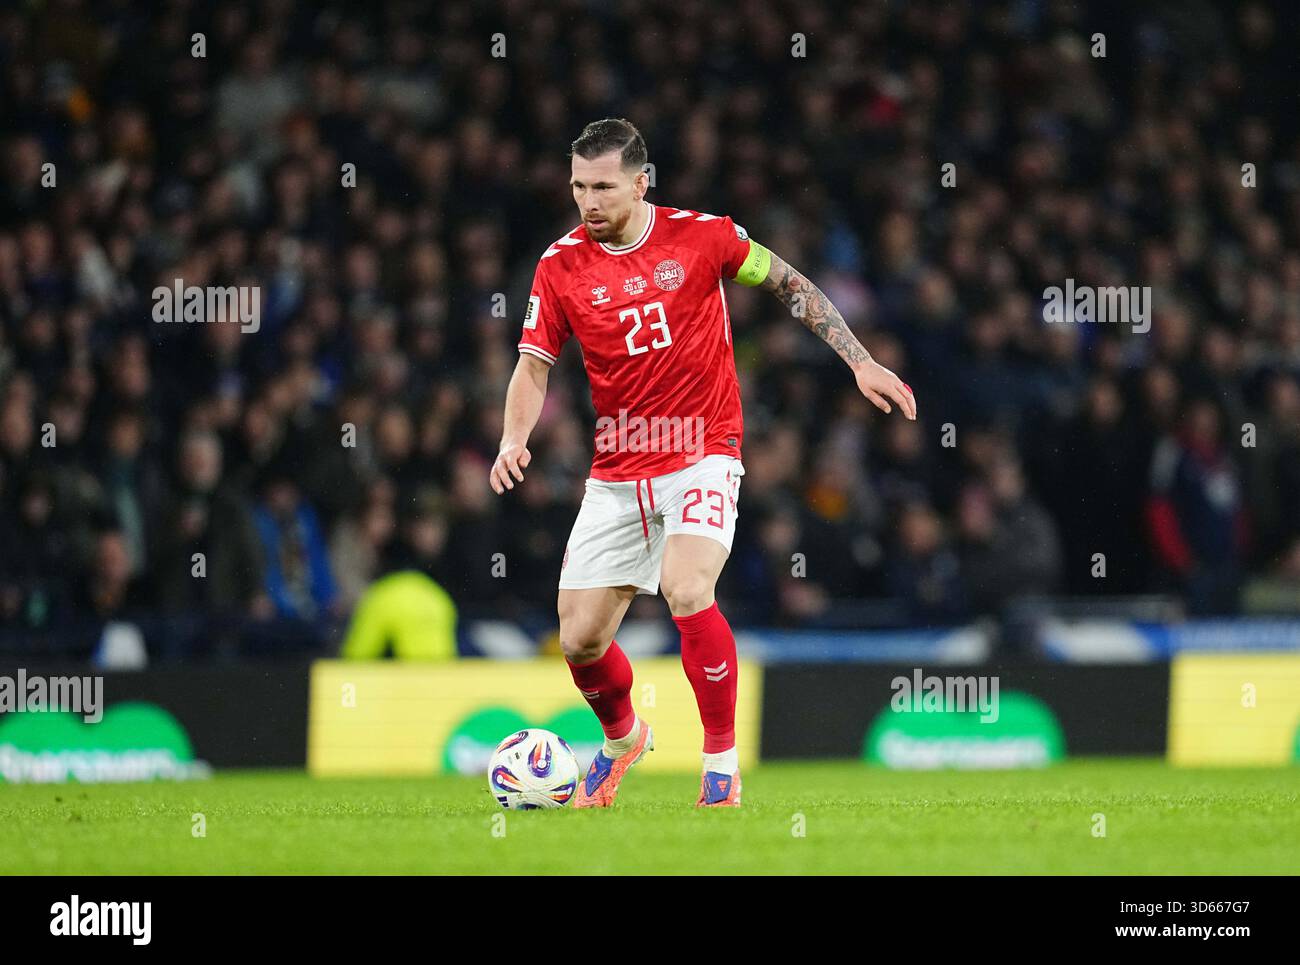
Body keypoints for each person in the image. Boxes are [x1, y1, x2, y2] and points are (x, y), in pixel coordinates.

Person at [489, 119, 916, 807]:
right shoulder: (559, 265)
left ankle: (720, 764)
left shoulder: (704, 236)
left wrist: (859, 360)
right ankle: (624, 737)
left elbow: (787, 282)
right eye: (577, 186)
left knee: (686, 587)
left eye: (602, 186)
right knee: (579, 638)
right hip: (616, 470)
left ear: (640, 181)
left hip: (701, 451)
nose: (588, 201)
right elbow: (532, 366)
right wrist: (514, 439)